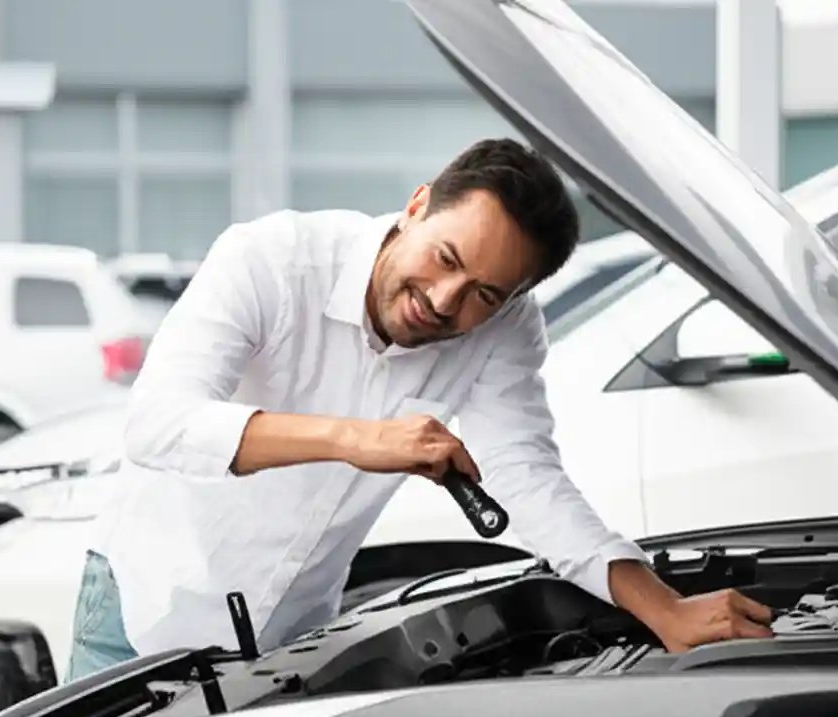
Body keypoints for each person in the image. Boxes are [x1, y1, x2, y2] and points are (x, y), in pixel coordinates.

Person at [64, 138, 774, 682]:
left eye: (485, 293)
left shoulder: (505, 327)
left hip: (287, 637)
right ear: (416, 205)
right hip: (144, 609)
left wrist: (665, 609)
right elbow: (157, 425)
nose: (445, 299)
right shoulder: (270, 261)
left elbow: (526, 476)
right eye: (444, 256)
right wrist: (357, 439)